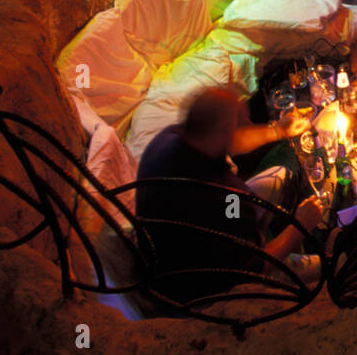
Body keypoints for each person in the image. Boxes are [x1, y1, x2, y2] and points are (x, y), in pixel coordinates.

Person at [136, 87, 325, 306]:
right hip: (207, 291)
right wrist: (299, 227)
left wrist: (277, 131)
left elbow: (230, 142)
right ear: (225, 131)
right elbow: (254, 268)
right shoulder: (228, 199)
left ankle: (264, 231)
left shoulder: (171, 138)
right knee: (323, 266)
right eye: (242, 121)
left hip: (177, 249)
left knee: (282, 176)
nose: (249, 122)